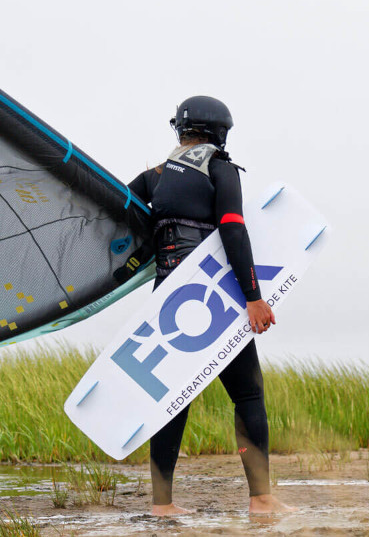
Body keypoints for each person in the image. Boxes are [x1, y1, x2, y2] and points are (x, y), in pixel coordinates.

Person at [126, 96, 294, 517]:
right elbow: (233, 231)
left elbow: (120, 216)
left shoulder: (153, 178)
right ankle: (261, 499)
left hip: (166, 298)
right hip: (209, 298)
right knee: (248, 394)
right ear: (220, 132)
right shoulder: (220, 169)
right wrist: (253, 298)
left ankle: (162, 506)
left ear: (180, 131)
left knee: (171, 399)